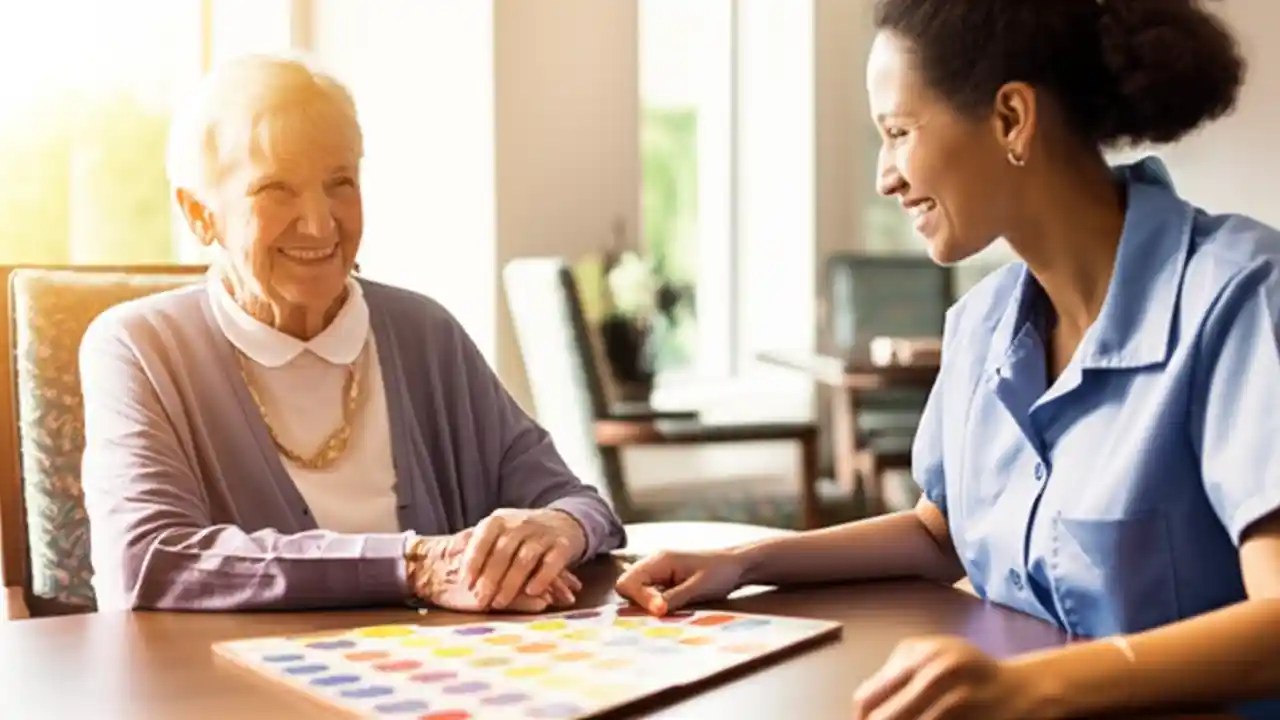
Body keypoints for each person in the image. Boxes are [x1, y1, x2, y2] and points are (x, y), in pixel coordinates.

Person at [616, 1, 1280, 718]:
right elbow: (940, 533)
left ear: (1010, 119)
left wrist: (1025, 688)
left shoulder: (1242, 296)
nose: (886, 177)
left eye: (899, 132)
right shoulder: (982, 324)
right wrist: (748, 562)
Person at [80, 54, 624, 614]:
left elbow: (580, 503)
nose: (318, 223)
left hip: (423, 682)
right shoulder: (138, 350)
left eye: (340, 182)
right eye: (275, 190)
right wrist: (411, 565)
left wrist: (555, 529)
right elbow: (147, 560)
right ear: (200, 214)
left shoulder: (426, 334)